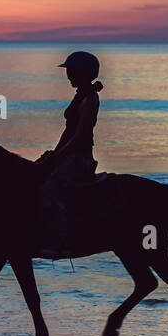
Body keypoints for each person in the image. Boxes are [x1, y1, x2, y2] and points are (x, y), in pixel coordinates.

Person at [36, 50, 103, 255]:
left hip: (78, 159)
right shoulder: (80, 96)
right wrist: (53, 154)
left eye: (72, 71)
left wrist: (59, 156)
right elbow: (68, 132)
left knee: (50, 188)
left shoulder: (89, 100)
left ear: (83, 73)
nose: (68, 76)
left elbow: (81, 136)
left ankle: (60, 240)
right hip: (68, 155)